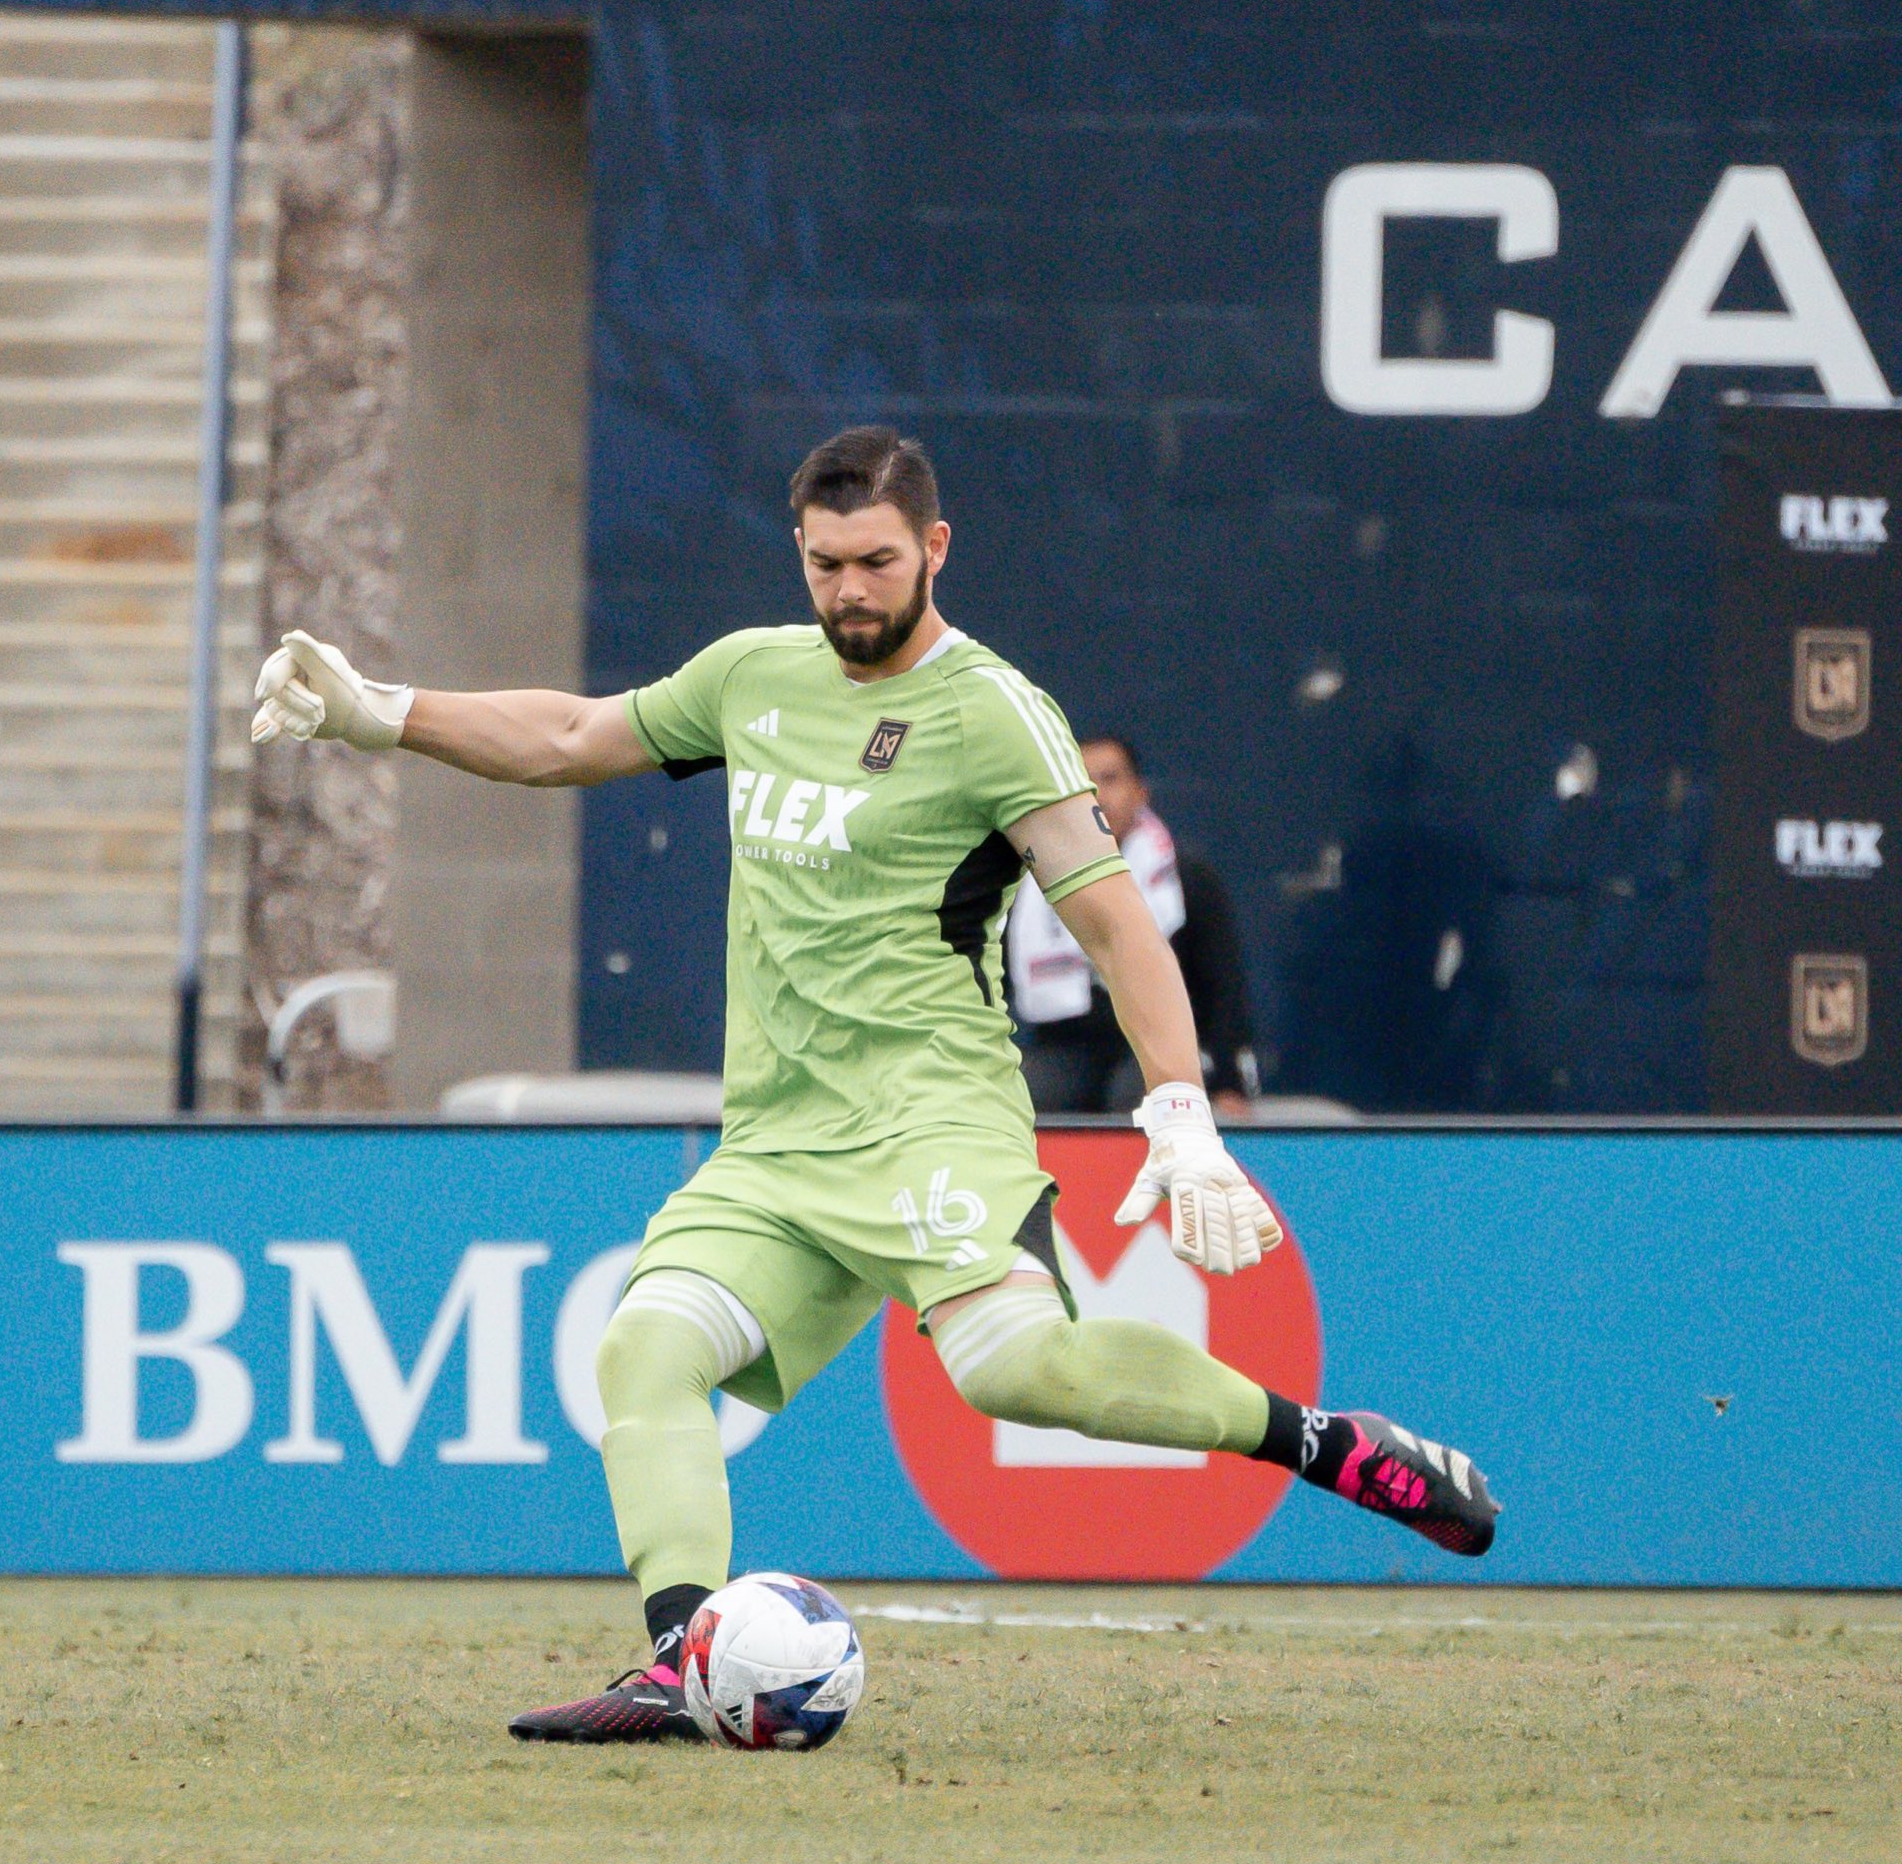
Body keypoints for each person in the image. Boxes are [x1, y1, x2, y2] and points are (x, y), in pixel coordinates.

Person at [250, 425, 1498, 1745]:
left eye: (879, 561)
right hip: (779, 1143)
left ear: (935, 549)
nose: (851, 588)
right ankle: (686, 1658)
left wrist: (1178, 1110)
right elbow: (567, 735)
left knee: (1020, 1374)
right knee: (643, 1351)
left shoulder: (993, 710)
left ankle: (1328, 1445)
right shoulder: (753, 677)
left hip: (933, 1122)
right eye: (827, 562)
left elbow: (1121, 922)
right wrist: (381, 711)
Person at [1008, 733, 1257, 1115]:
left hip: (1160, 1041)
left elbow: (1223, 988)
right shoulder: (1028, 882)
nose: (1097, 794)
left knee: (1143, 1102)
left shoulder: (1186, 878)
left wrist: (1229, 1085)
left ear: (1140, 792)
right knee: (1019, 1100)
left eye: (1110, 779)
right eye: (1082, 782)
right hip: (1066, 1048)